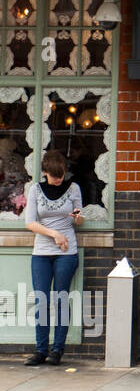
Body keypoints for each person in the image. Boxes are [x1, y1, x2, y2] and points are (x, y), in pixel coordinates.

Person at [25, 150, 84, 365]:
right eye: (53, 175)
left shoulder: (73, 188)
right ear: (44, 172)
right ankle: (40, 350)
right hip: (41, 253)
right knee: (41, 300)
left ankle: (57, 350)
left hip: (66, 253)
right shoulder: (36, 190)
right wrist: (55, 234)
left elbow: (79, 220)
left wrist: (78, 217)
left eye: (60, 175)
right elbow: (30, 223)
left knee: (60, 299)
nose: (58, 180)